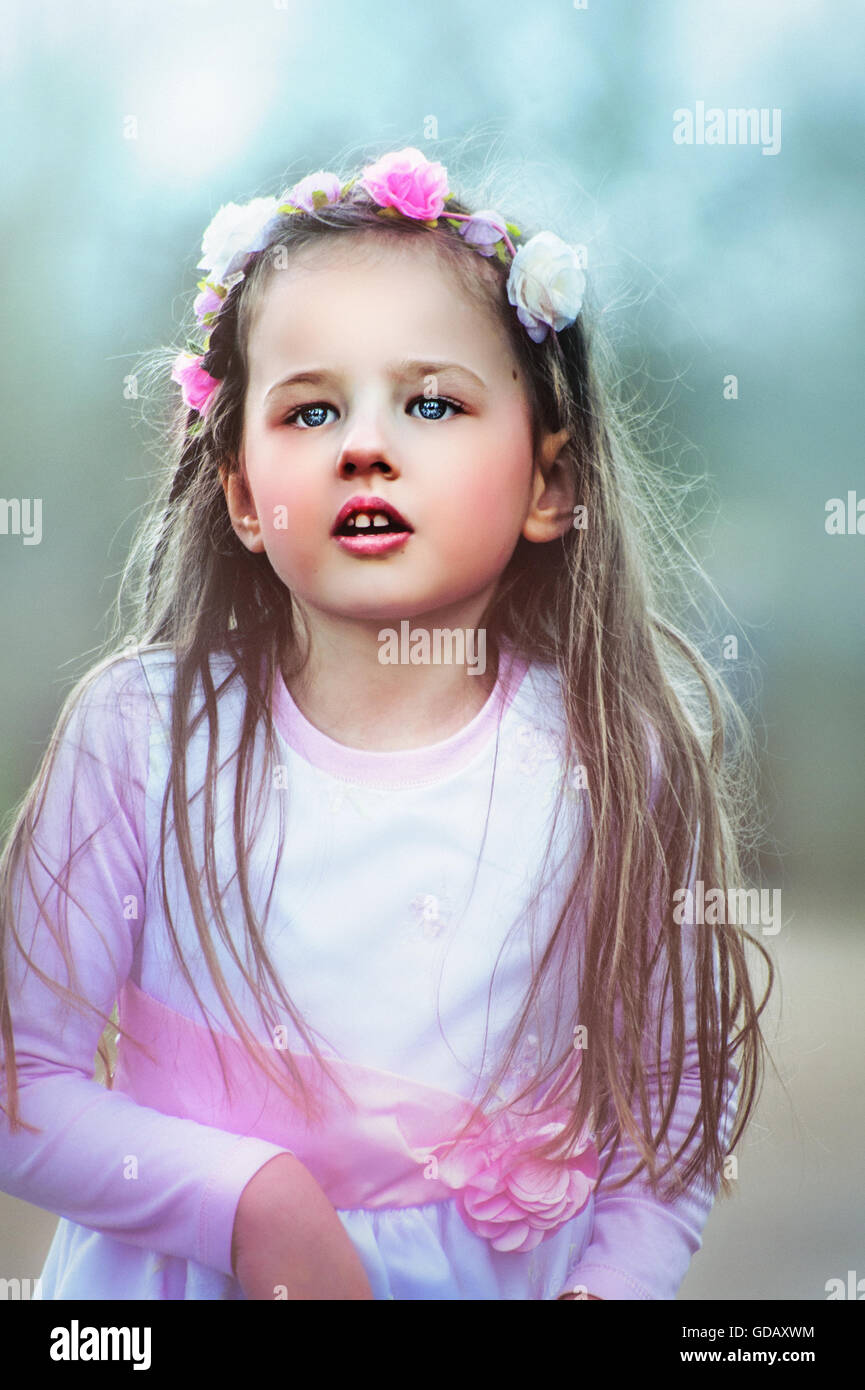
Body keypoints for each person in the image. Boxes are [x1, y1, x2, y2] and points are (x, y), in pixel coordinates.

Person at [0, 145, 773, 1301]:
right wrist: (257, 1202)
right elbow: (22, 1083)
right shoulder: (143, 735)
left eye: (430, 401)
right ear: (243, 495)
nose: (365, 443)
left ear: (548, 484)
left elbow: (665, 1124)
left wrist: (603, 1289)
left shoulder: (610, 761)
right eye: (310, 408)